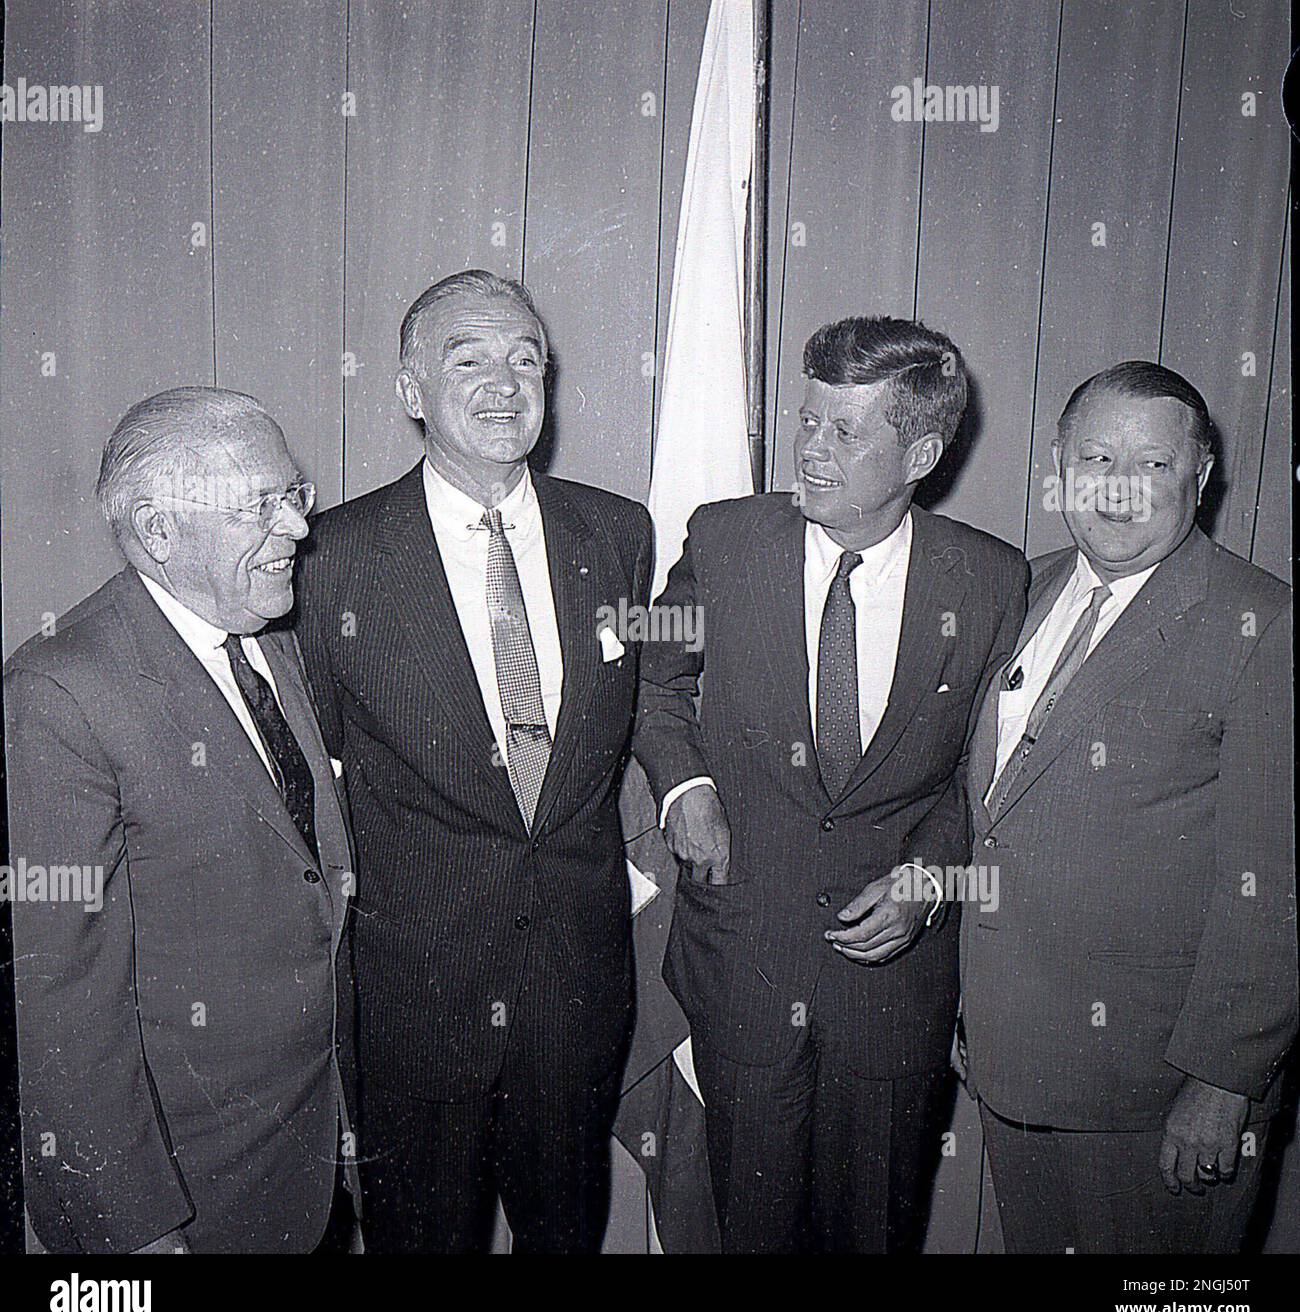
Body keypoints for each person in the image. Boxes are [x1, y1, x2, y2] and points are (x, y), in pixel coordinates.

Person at [633, 315, 1029, 1252]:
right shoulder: (726, 540)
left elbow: (989, 773)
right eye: (807, 420)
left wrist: (930, 881)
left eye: (845, 433)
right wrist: (686, 787)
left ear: (920, 452)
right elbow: (654, 678)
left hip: (889, 994)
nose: (810, 449)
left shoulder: (989, 579)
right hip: (746, 966)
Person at [294, 269, 653, 1253]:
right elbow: (314, 776)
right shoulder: (331, 558)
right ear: (410, 391)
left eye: (525, 358)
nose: (505, 382)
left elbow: (644, 696)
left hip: (577, 981)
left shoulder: (617, 532)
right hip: (417, 992)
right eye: (469, 358)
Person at [4, 387, 358, 1253]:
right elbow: (59, 997)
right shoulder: (60, 693)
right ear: (159, 532)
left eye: (294, 494)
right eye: (259, 507)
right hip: (186, 1189)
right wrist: (131, 1228)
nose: (299, 530)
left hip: (304, 1148)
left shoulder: (263, 633)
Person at [960, 361, 1297, 1253]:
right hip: (1009, 1065)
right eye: (1097, 454)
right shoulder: (1020, 591)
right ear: (1060, 462)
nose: (1116, 485)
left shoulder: (1264, 625)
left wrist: (1224, 1082)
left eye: (1151, 464)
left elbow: (1274, 883)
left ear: (1203, 472)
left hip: (1156, 1095)